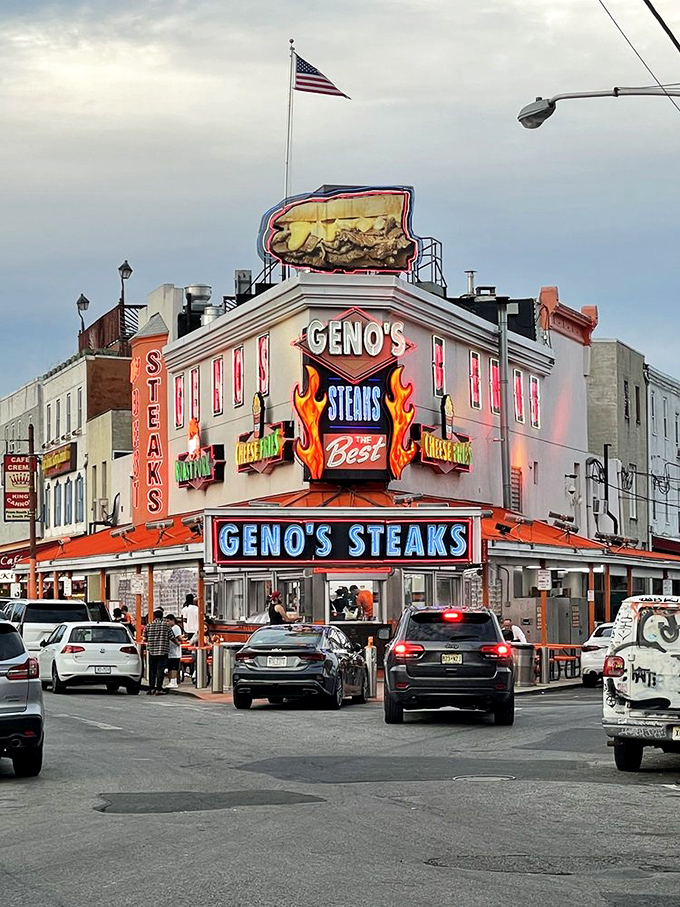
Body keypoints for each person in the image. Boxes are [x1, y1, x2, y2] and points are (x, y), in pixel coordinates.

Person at [143, 608, 174, 695]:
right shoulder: (166, 626)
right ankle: (159, 688)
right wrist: (178, 643)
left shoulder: (149, 625)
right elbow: (172, 637)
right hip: (162, 651)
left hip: (152, 651)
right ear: (162, 616)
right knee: (160, 670)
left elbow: (144, 637)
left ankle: (151, 688)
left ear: (154, 616)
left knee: (152, 670)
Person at [165, 614, 184, 690]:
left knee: (173, 667)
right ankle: (171, 681)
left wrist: (177, 642)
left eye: (168, 621)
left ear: (173, 620)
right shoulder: (170, 628)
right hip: (170, 651)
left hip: (175, 652)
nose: (167, 622)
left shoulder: (176, 628)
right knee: (170, 667)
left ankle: (174, 681)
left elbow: (178, 637)